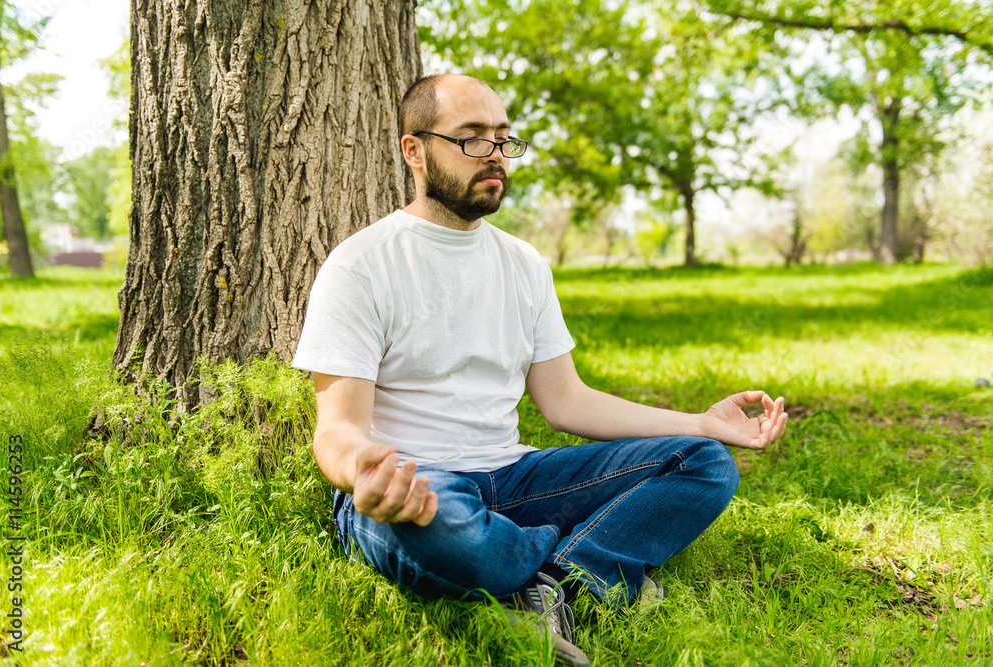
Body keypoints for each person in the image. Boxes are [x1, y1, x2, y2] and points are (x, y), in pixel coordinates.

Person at [292, 74, 788, 666]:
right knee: (446, 530)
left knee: (704, 464)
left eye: (503, 139)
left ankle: (542, 584)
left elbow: (566, 402)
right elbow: (337, 428)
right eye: (472, 139)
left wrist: (701, 423)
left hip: (515, 478)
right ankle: (585, 568)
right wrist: (363, 470)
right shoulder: (360, 266)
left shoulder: (524, 264)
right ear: (414, 151)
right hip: (417, 489)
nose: (495, 156)